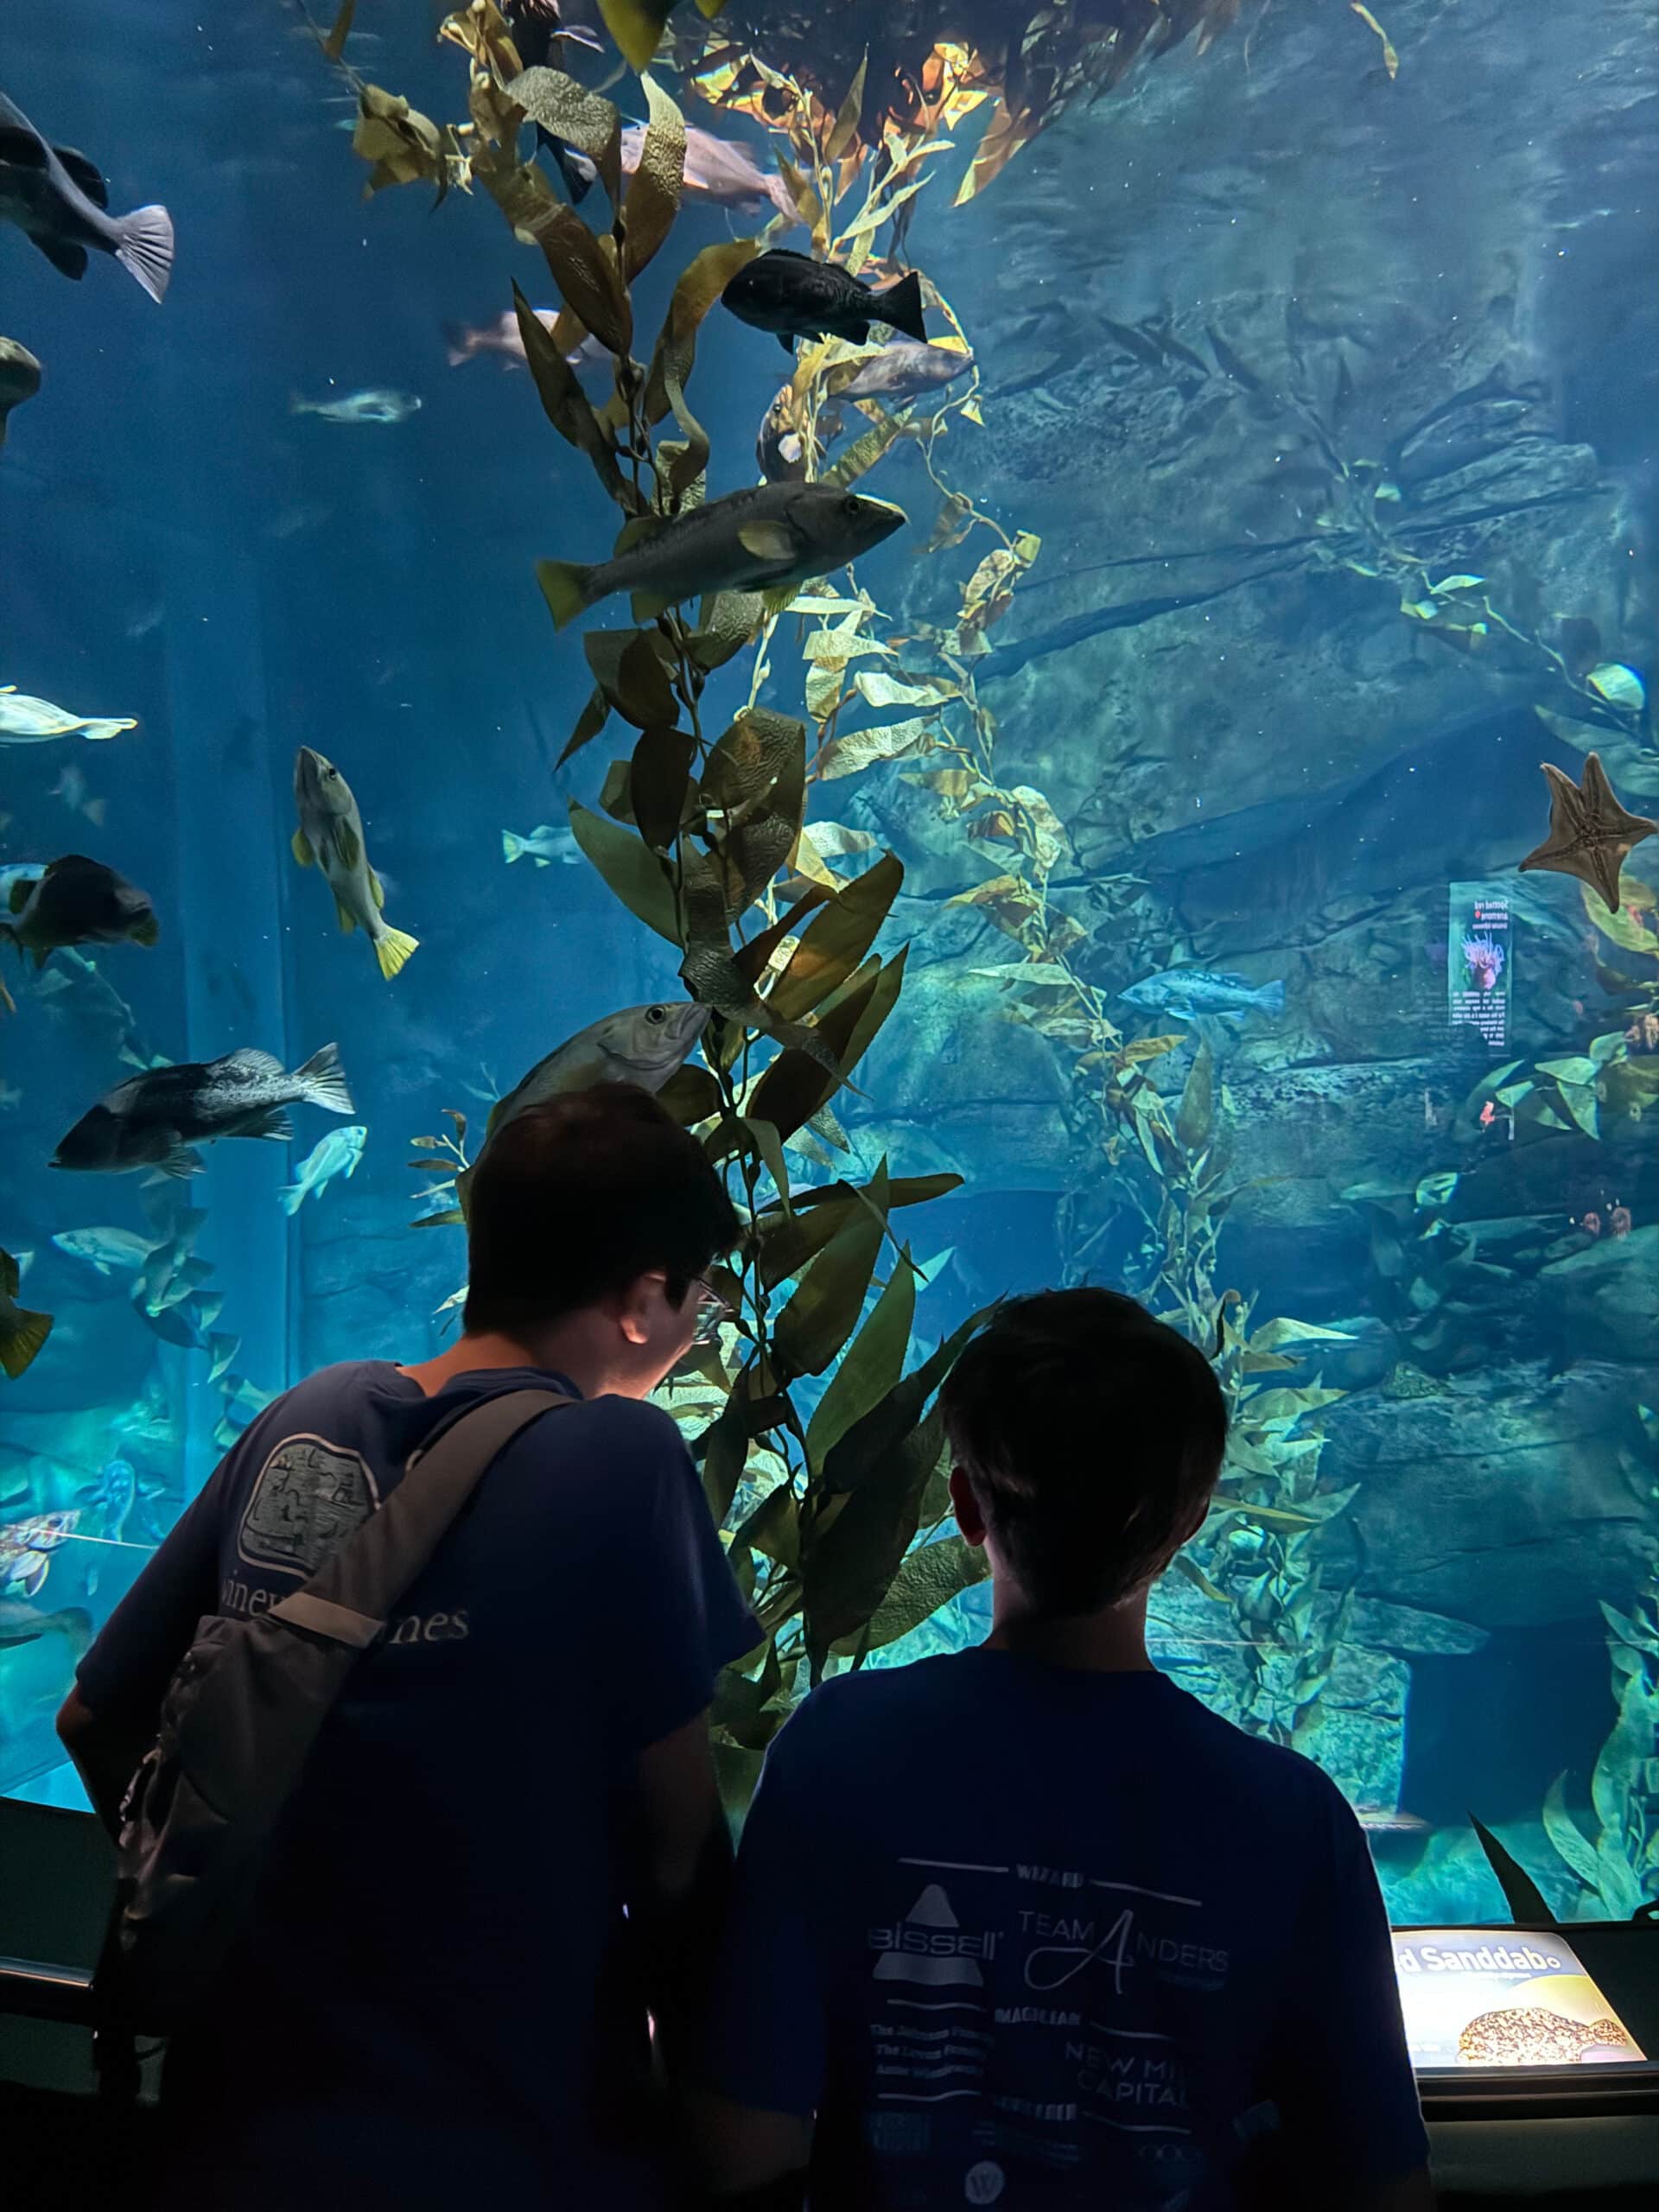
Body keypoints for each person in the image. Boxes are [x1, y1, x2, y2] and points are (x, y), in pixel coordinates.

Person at [58, 1080, 757, 2212]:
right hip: (502, 2134)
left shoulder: (305, 1415)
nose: (690, 1333)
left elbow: (95, 1721)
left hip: (229, 2117)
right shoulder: (622, 1457)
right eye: (695, 1304)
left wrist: (219, 1889)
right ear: (644, 1302)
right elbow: (679, 1853)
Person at [698, 1288, 1433, 2212]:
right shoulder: (1293, 1816)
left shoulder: (835, 1752)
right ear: (1190, 1521)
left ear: (964, 1506)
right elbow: (1382, 2182)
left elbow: (746, 2141)